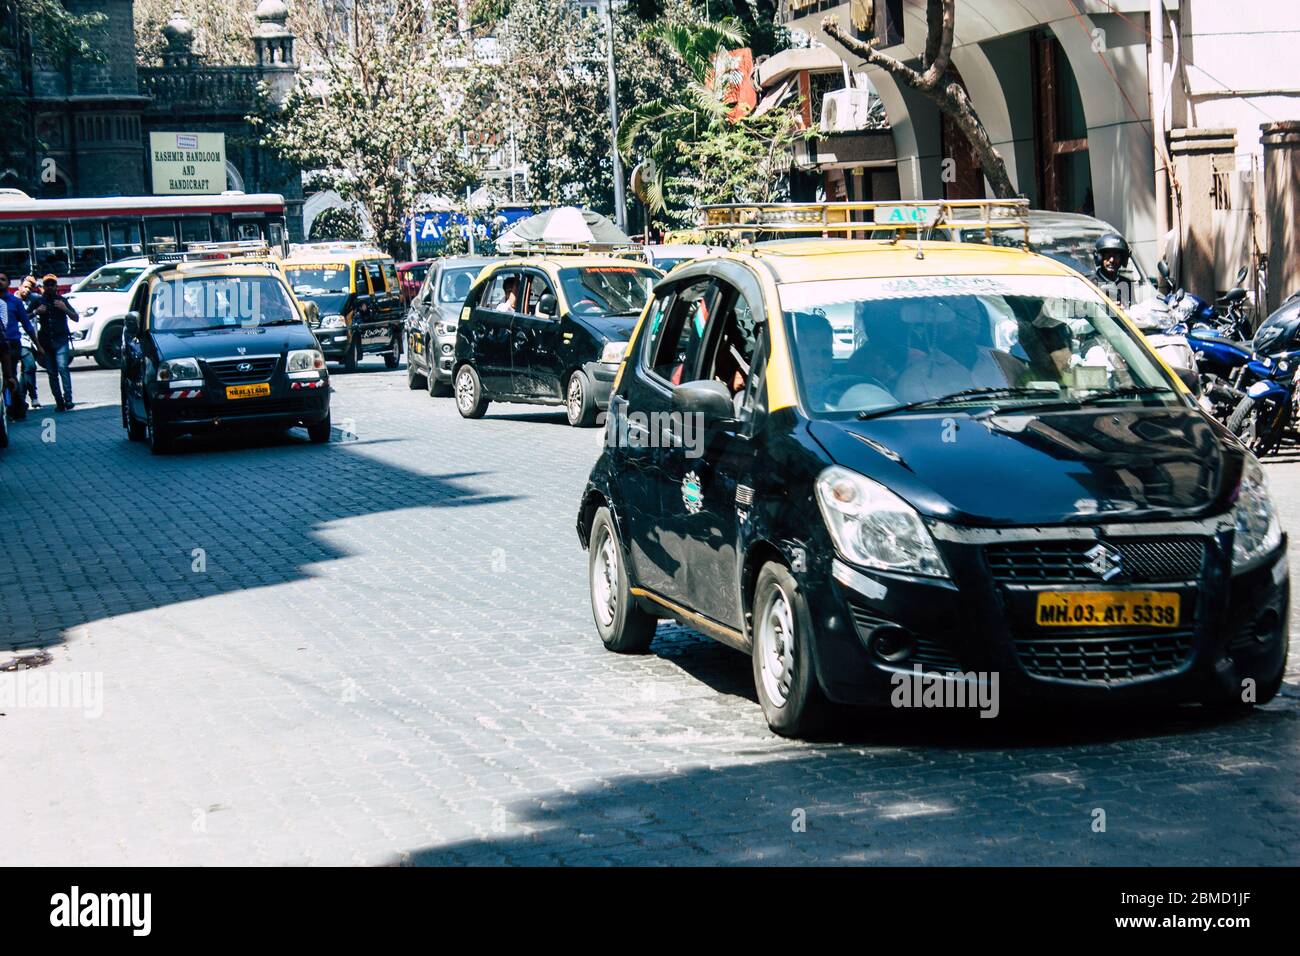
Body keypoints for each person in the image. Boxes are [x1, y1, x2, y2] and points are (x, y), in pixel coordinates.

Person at [29, 274, 78, 411]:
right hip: (45, 341)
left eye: (52, 285)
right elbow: (24, 317)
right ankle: (59, 402)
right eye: (47, 285)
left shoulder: (62, 300)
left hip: (61, 340)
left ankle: (68, 400)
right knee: (51, 373)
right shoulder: (38, 301)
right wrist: (35, 312)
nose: (50, 287)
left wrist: (65, 309)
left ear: (56, 287)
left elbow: (76, 318)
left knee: (63, 368)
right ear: (43, 287)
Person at [1, 272, 40, 421]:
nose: (0, 282)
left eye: (3, 279)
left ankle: (15, 406)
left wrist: (38, 345)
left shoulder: (14, 302)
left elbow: (27, 325)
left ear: (9, 283)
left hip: (11, 345)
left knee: (9, 376)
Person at [1092, 233, 1133, 307]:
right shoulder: (1089, 282)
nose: (1112, 260)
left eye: (1116, 256)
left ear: (1122, 259)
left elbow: (1133, 309)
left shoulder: (1126, 283)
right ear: (1100, 257)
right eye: (1108, 255)